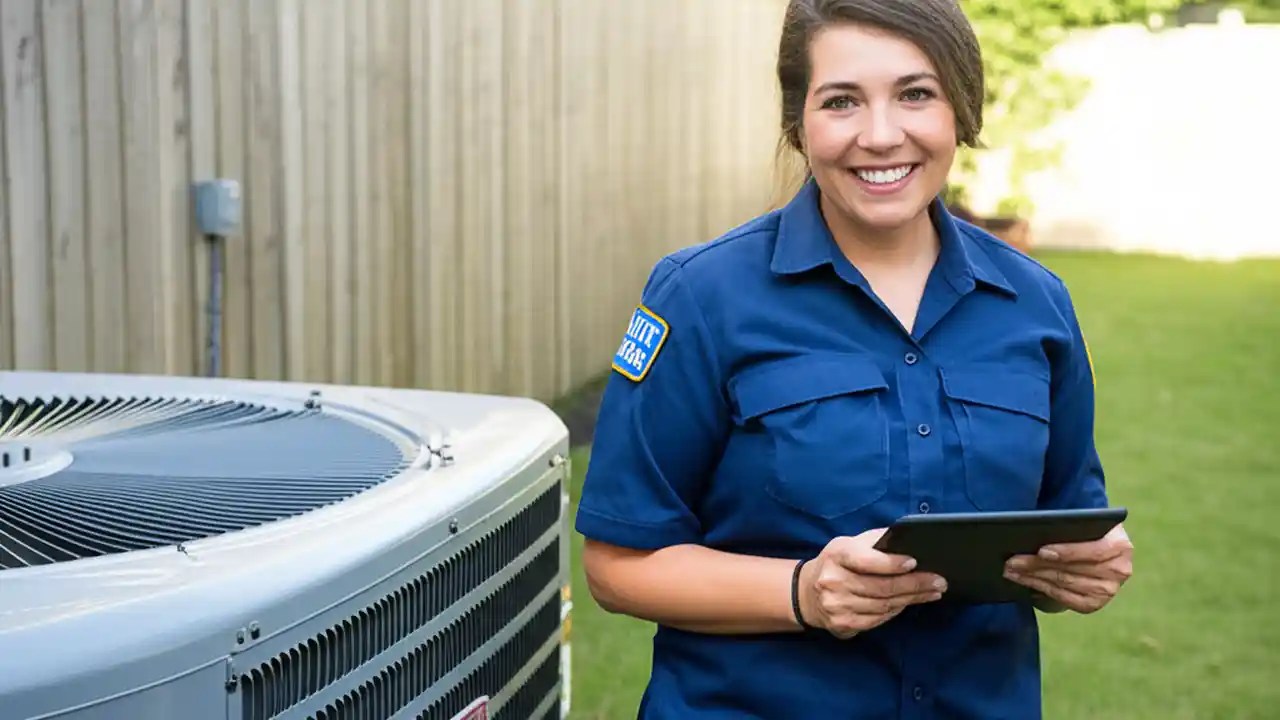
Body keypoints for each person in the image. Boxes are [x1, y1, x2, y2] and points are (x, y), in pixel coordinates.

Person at [574, 0, 1135, 717]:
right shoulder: (700, 296)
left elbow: (1069, 524)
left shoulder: (1036, 303)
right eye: (841, 101)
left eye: (915, 94)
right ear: (797, 122)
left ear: (959, 107)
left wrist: (1086, 568)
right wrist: (802, 593)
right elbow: (618, 567)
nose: (880, 135)